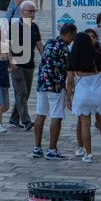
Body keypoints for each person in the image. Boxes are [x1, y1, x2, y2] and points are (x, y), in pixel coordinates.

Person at [68, 29, 101, 163]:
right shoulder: (97, 56)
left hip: (82, 92)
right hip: (99, 91)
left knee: (85, 124)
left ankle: (88, 154)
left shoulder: (74, 57)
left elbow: (70, 81)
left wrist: (69, 97)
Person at [32, 23, 76, 160]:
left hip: (42, 84)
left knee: (40, 114)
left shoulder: (50, 43)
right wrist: (70, 95)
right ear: (68, 34)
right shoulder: (64, 49)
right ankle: (52, 149)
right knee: (56, 116)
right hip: (56, 87)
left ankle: (37, 148)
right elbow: (69, 74)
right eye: (73, 35)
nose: (73, 39)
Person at [7, 1, 42, 129]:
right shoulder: (15, 26)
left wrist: (46, 58)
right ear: (22, 12)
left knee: (24, 94)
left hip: (30, 64)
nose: (32, 14)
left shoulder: (34, 27)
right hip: (17, 64)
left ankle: (13, 119)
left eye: (34, 11)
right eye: (30, 11)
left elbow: (39, 44)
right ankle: (26, 121)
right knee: (21, 92)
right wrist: (11, 61)